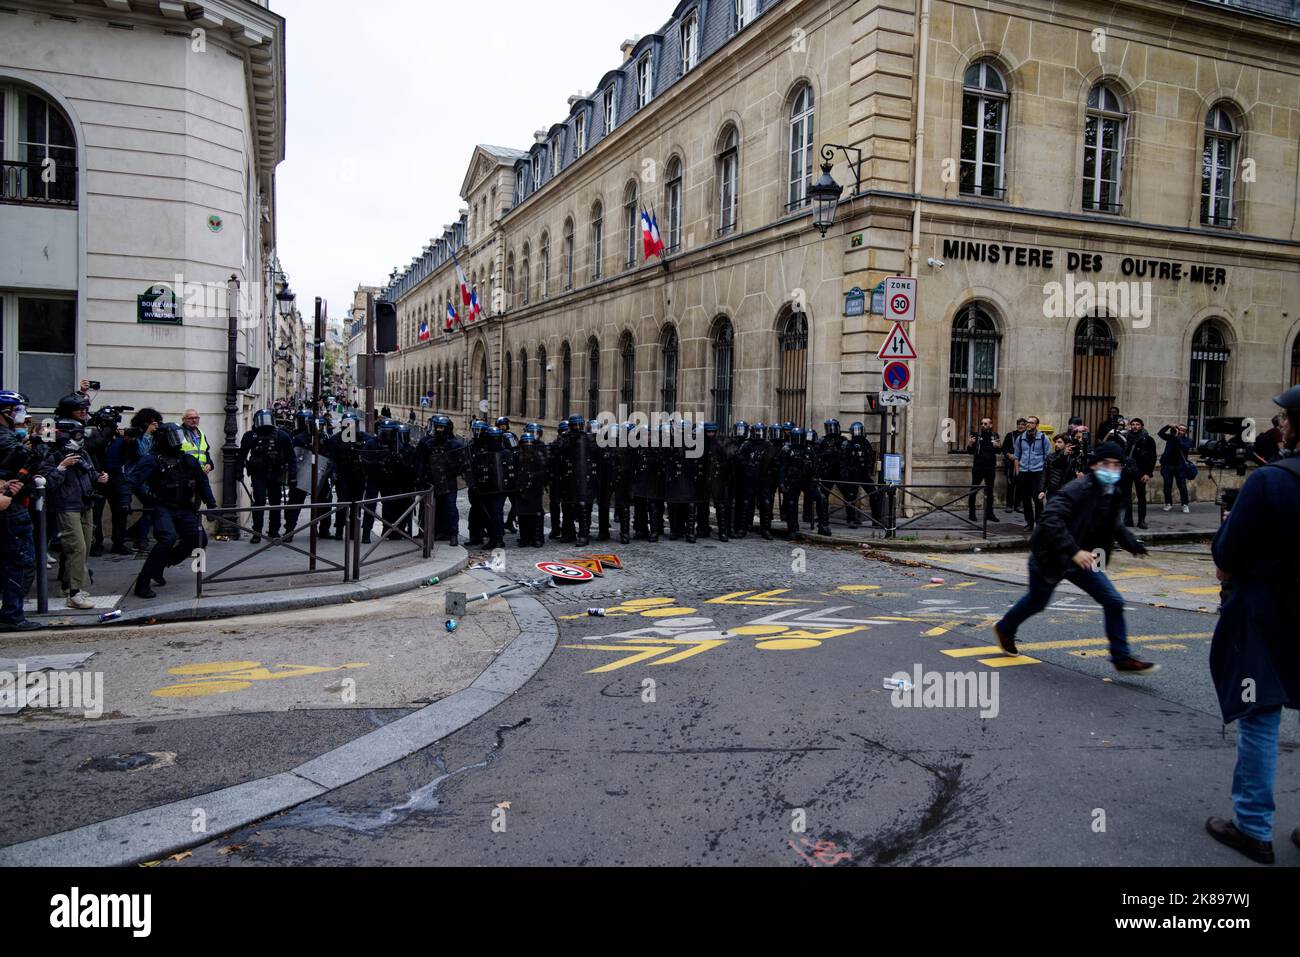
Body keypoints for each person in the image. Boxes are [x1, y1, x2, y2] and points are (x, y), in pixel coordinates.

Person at [1204, 385, 1300, 865]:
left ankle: (1253, 827)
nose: (1279, 426)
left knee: (1260, 714)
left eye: (1284, 420)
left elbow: (1227, 553)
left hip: (1264, 610)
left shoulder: (1270, 482)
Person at [992, 441, 1158, 674]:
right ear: (1094, 466)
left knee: (1113, 601)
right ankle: (1005, 627)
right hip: (1051, 555)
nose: (1111, 469)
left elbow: (1113, 524)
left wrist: (1132, 543)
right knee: (1037, 602)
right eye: (1106, 464)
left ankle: (1121, 657)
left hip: (1084, 560)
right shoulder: (1077, 489)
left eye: (1116, 465)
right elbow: (1050, 518)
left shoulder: (1113, 492)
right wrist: (1074, 551)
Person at [131, 423, 216, 599]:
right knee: (167, 539)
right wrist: (139, 501)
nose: (177, 441)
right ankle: (142, 582)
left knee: (198, 539)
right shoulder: (152, 460)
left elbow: (202, 482)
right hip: (162, 506)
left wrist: (211, 504)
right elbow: (132, 481)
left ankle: (161, 564)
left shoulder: (186, 460)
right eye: (173, 437)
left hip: (184, 507)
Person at [42, 419, 109, 609]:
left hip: (85, 503)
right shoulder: (53, 455)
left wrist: (100, 478)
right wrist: (62, 467)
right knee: (77, 547)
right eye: (77, 434)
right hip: (66, 506)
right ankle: (74, 593)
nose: (80, 438)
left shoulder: (83, 453)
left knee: (85, 546)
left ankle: (67, 585)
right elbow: (46, 483)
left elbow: (92, 474)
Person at [0, 391, 44, 632]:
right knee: (19, 561)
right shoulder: (5, 439)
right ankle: (12, 614)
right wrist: (34, 443)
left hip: (13, 501)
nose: (23, 416)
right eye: (18, 410)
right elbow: (31, 457)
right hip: (9, 509)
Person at [237, 409, 294, 544]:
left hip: (276, 473)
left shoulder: (282, 436)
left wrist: (292, 475)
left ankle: (274, 530)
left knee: (275, 503)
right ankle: (257, 532)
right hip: (258, 474)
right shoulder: (250, 436)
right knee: (259, 502)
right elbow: (242, 455)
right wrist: (238, 471)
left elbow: (291, 457)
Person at [1012, 415, 1050, 530]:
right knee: (1026, 500)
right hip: (1024, 473)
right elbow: (1016, 456)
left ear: (1037, 425)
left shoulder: (1043, 438)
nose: (1028, 424)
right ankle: (1029, 522)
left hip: (1038, 473)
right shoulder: (1021, 438)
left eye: (1032, 423)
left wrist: (1045, 474)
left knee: (1038, 500)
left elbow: (1048, 458)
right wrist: (1018, 472)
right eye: (1028, 422)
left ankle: (1039, 524)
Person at [1121, 417, 1157, 530]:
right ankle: (1128, 519)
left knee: (1141, 497)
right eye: (1133, 424)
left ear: (1141, 426)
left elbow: (1152, 458)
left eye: (1137, 424)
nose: (1135, 426)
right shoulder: (1125, 438)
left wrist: (1148, 473)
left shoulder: (1148, 439)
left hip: (1141, 471)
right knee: (1126, 496)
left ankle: (1141, 520)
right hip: (1127, 471)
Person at [966, 417, 1001, 523]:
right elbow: (970, 451)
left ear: (990, 425)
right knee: (974, 490)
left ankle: (990, 514)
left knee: (990, 491)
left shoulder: (995, 436)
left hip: (990, 468)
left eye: (986, 424)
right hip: (978, 467)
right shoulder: (976, 436)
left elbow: (999, 451)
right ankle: (971, 513)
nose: (983, 425)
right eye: (981, 423)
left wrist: (997, 446)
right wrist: (970, 444)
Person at [1157, 423, 1193, 513]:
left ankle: (1185, 504)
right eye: (1179, 429)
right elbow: (1160, 433)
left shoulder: (1187, 440)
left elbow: (1183, 446)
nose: (1180, 431)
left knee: (1182, 486)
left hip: (1180, 466)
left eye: (1183, 430)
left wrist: (1177, 437)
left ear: (1185, 432)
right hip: (1168, 465)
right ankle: (1168, 503)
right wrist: (1168, 426)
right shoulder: (1170, 438)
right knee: (1167, 486)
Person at [1000, 418, 1027, 512]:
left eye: (1023, 424)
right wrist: (1008, 455)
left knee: (1021, 485)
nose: (1021, 426)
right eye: (1019, 424)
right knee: (1011, 484)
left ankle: (1018, 505)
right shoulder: (1010, 435)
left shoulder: (1028, 436)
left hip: (1023, 464)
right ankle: (1009, 505)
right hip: (1011, 464)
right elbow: (1004, 448)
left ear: (1026, 426)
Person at [1042, 434, 1075, 501]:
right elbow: (1045, 474)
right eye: (1055, 442)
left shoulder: (1072, 457)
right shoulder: (1051, 457)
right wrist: (1042, 490)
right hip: (1052, 492)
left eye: (1059, 442)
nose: (1056, 444)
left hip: (1067, 492)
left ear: (1067, 445)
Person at [180, 410, 215, 474]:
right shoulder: (179, 433)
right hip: (186, 473)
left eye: (196, 418)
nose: (194, 420)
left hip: (201, 473)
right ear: (183, 420)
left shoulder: (201, 433)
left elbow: (205, 452)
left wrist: (208, 463)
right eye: (190, 418)